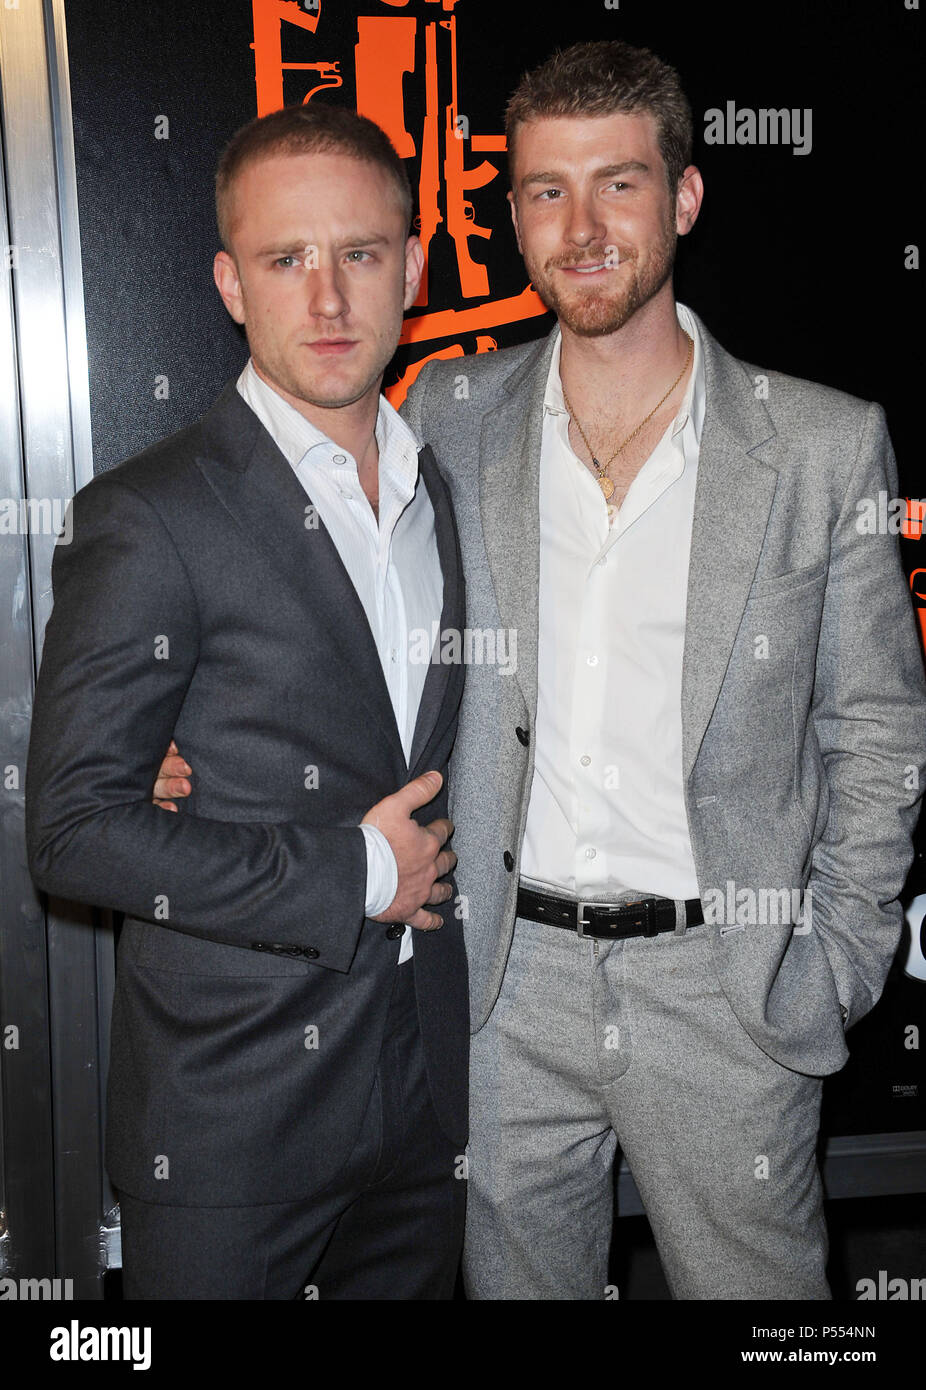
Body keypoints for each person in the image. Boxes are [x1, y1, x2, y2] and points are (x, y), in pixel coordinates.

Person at [156, 40, 926, 1299]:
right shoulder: (448, 412)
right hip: (502, 991)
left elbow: (876, 730)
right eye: (543, 191)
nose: (580, 227)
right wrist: (185, 722)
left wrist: (825, 972)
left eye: (617, 185)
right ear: (508, 214)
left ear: (680, 199)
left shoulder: (822, 446)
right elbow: (323, 580)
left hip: (726, 993)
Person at [25, 104, 469, 1300]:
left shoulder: (448, 492)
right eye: (286, 260)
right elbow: (71, 827)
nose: (326, 301)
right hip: (232, 1130)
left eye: (360, 255)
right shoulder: (150, 514)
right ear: (230, 283)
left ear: (413, 271)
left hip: (429, 1115)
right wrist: (354, 875)